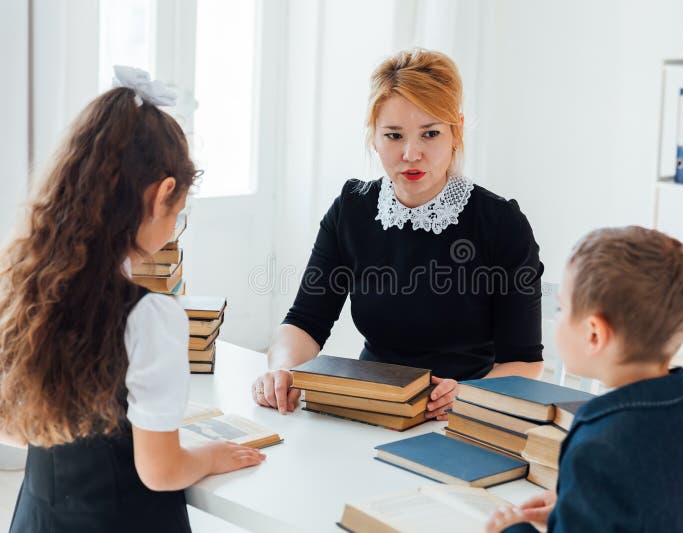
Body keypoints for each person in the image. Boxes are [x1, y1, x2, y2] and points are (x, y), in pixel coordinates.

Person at [0, 66, 264, 533]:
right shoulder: (150, 313)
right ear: (163, 194)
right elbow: (160, 471)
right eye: (178, 214)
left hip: (37, 520)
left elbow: (16, 431)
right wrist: (209, 456)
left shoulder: (30, 285)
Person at [253, 48, 546, 419]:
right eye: (394, 135)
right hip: (370, 407)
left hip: (464, 416)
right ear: (374, 137)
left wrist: (471, 397)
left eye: (430, 134)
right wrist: (280, 369)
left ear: (454, 133)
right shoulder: (352, 209)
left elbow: (523, 362)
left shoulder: (502, 224)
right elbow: (304, 323)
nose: (411, 154)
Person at [485, 226, 683, 533]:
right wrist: (571, 508)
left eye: (562, 308)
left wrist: (511, 529)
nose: (557, 318)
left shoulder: (599, 444)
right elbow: (668, 508)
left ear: (594, 334)